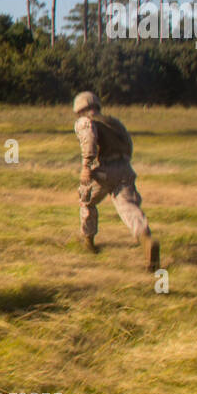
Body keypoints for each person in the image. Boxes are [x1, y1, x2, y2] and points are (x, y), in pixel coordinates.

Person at [73, 91, 159, 272]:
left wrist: (86, 166)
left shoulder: (85, 122)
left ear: (79, 109)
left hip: (103, 169)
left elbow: (88, 139)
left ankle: (89, 243)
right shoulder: (114, 122)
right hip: (124, 167)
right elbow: (128, 144)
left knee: (86, 200)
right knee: (128, 207)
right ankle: (146, 238)